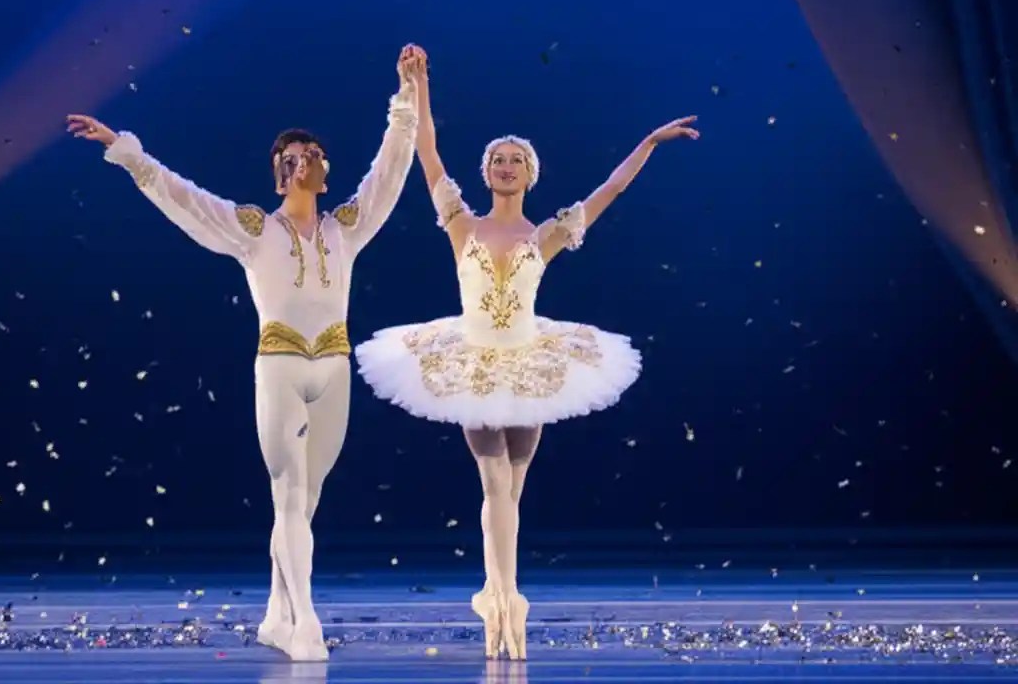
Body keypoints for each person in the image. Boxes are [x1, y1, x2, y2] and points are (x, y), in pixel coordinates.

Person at [66, 45, 422, 661]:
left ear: (325, 170)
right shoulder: (254, 229)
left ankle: (276, 615)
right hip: (279, 368)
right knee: (289, 495)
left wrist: (407, 95)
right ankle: (305, 622)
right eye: (292, 157)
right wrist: (126, 152)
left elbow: (389, 172)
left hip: (333, 368)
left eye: (312, 155)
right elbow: (186, 199)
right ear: (278, 173)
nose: (303, 161)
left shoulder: (345, 228)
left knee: (307, 503)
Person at [354, 46, 699, 660]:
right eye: (498, 160)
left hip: (531, 363)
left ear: (530, 173)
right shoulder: (461, 222)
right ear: (486, 172)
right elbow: (427, 150)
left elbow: (610, 190)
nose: (506, 166)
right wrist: (418, 84)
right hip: (472, 363)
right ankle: (506, 601)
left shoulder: (547, 234)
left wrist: (649, 142)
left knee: (510, 492)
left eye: (516, 160)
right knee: (494, 486)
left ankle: (497, 597)